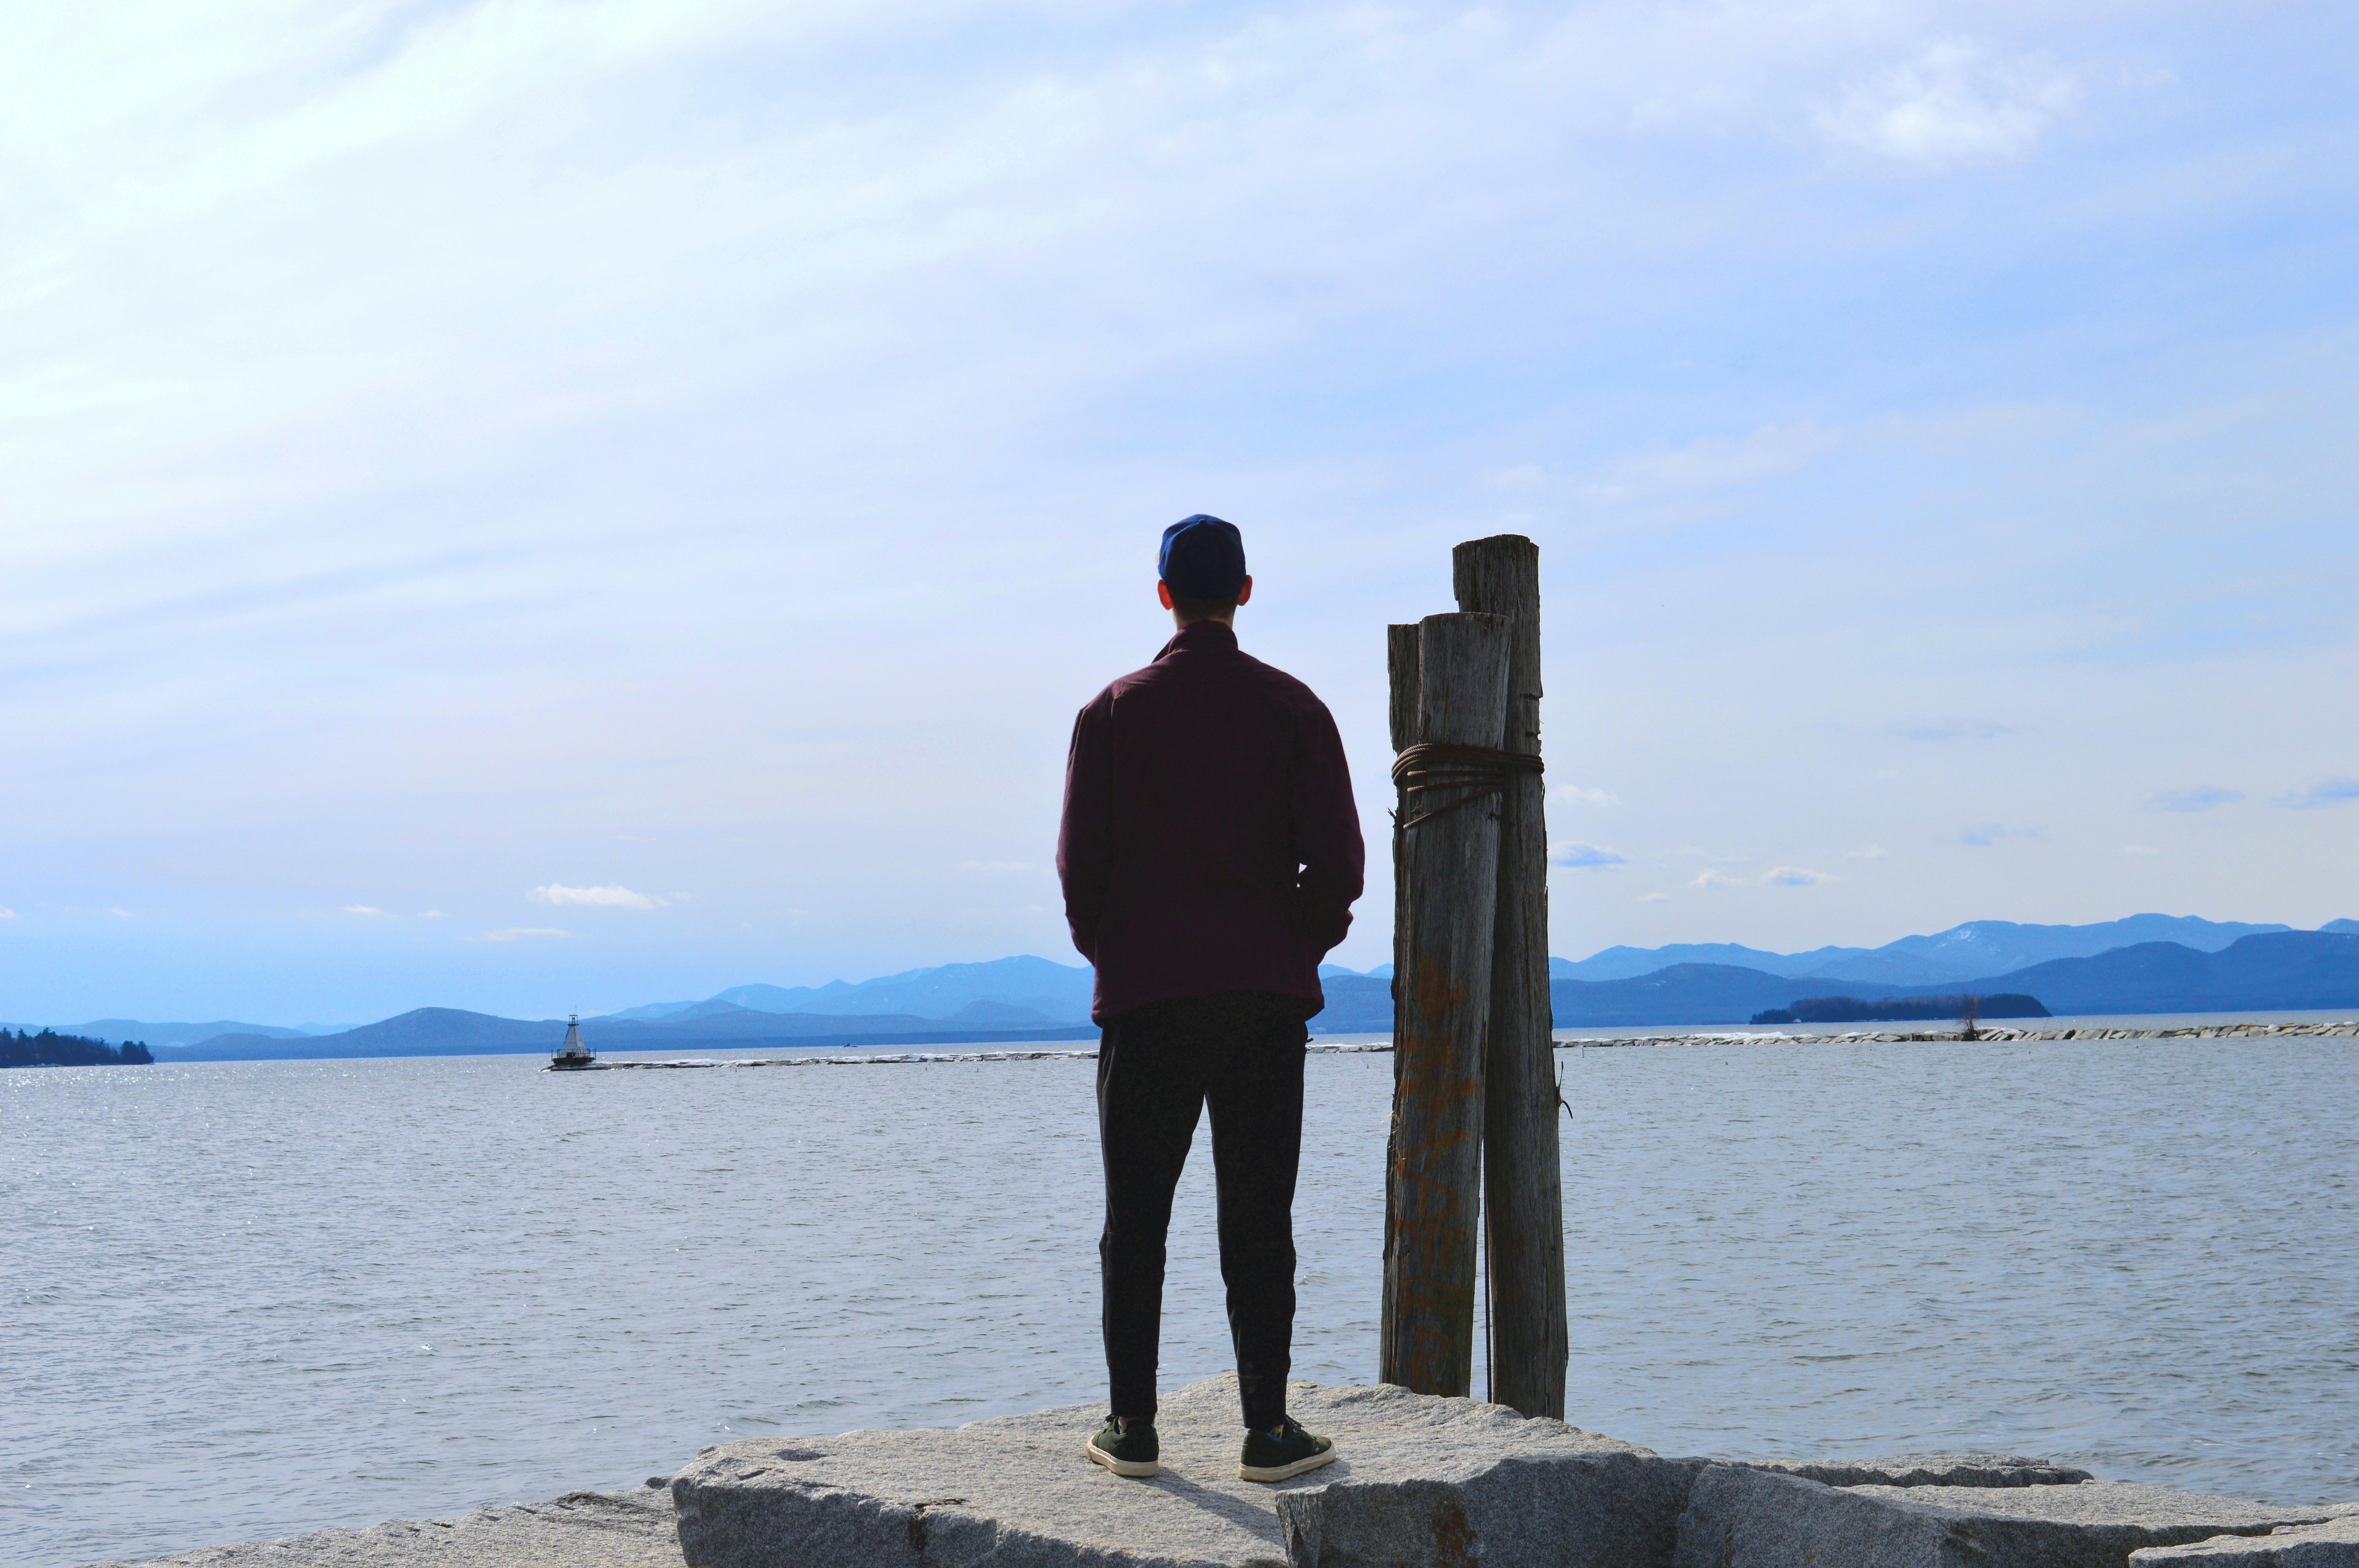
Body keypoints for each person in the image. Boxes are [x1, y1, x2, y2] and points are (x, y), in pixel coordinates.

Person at [1056, 514, 1366, 1484]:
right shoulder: (1292, 707)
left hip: (1146, 996)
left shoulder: (1111, 710)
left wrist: (1115, 951)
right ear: (1243, 590)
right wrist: (1291, 942)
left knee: (1134, 1216)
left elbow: (1080, 867)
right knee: (1257, 1214)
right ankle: (1267, 1430)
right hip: (1261, 998)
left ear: (1162, 595)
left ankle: (1133, 1426)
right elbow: (1341, 865)